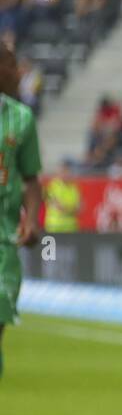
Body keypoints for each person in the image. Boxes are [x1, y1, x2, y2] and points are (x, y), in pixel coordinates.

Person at [0, 42, 42, 380]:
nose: (19, 73)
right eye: (13, 65)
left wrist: (32, 219)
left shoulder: (21, 118)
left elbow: (31, 179)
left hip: (5, 244)